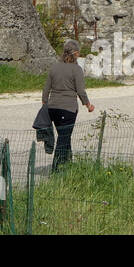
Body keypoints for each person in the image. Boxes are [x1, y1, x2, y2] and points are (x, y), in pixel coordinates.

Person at [41, 40, 95, 171]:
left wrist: (44, 102)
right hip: (68, 109)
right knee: (63, 138)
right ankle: (56, 169)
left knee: (64, 135)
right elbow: (81, 90)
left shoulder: (54, 67)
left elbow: (46, 88)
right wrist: (87, 104)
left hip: (52, 107)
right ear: (75, 53)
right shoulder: (76, 69)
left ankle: (68, 163)